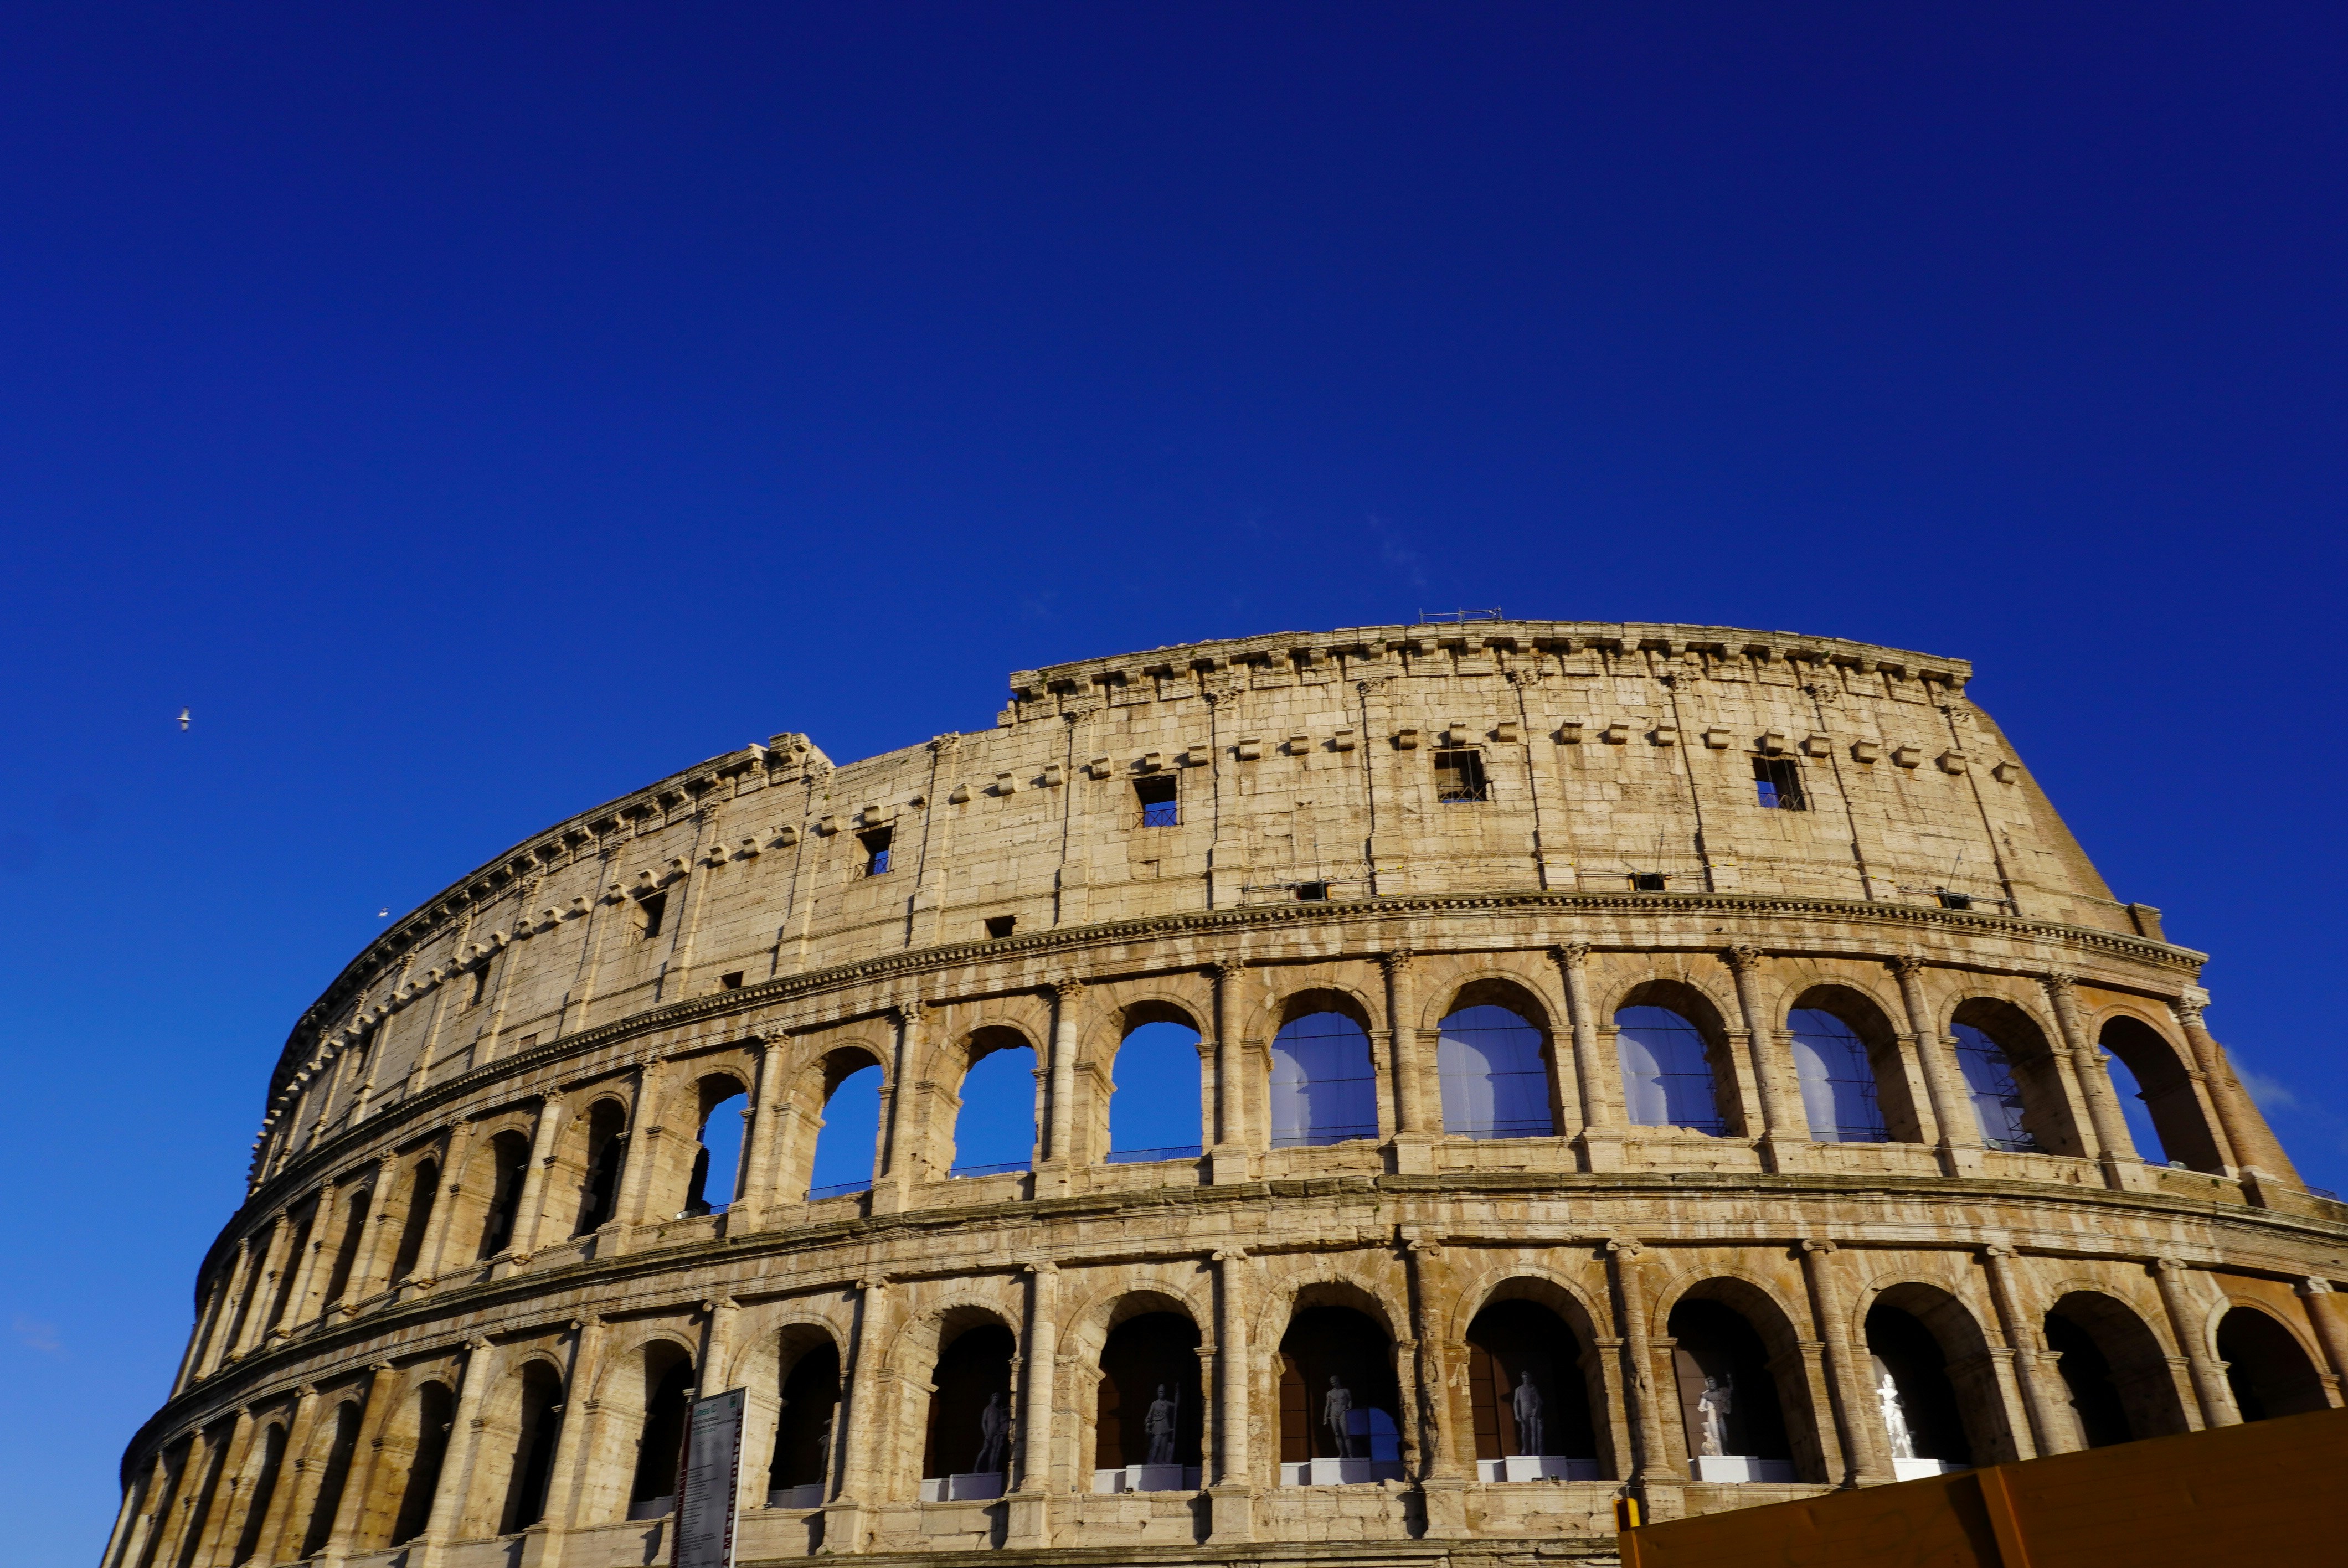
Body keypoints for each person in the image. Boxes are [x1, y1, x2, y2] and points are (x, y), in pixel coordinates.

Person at [1875, 1368, 1916, 1459]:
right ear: (1885, 1382)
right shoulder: (1884, 1391)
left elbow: (1903, 1404)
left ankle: (1909, 1454)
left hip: (1897, 1412)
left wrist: (1896, 1405)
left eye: (1891, 1381)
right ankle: (1895, 1450)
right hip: (1889, 1412)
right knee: (1891, 1432)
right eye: (1888, 1381)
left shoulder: (1896, 1393)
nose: (1891, 1383)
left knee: (1902, 1433)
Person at [1696, 1373, 1734, 1457]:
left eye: (1713, 1383)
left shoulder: (1721, 1393)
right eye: (1710, 1383)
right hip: (1712, 1414)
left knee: (1724, 1436)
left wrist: (1730, 1380)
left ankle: (1725, 1451)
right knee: (1716, 1435)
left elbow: (1730, 1391)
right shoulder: (1706, 1394)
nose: (1712, 1385)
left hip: (1720, 1415)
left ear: (1716, 1384)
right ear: (1708, 1385)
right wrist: (1707, 1409)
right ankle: (1720, 1453)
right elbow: (1701, 1406)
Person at [974, 1391, 1010, 1474]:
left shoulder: (998, 1410)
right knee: (985, 1450)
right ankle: (976, 1467)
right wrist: (986, 1434)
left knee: (994, 1452)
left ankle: (992, 1469)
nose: (995, 1400)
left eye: (997, 1399)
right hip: (989, 1433)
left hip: (996, 1433)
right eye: (994, 1398)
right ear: (991, 1399)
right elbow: (983, 1422)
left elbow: (1002, 1419)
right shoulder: (987, 1409)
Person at [1510, 1371, 1544, 1456]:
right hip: (1524, 1412)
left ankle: (1534, 1451)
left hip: (1533, 1412)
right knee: (1525, 1431)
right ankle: (1525, 1448)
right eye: (1524, 1378)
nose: (1525, 1379)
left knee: (1534, 1432)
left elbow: (1538, 1401)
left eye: (1527, 1378)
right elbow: (1516, 1402)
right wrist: (1517, 1414)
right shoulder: (1519, 1389)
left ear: (1530, 1379)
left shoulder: (1533, 1388)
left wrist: (1536, 1410)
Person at [1322, 1376, 1357, 1458]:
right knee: (1337, 1434)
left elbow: (1350, 1401)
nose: (1333, 1383)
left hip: (1343, 1412)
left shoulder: (1345, 1391)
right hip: (1333, 1413)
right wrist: (1325, 1417)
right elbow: (1328, 1406)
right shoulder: (1330, 1393)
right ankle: (1342, 1453)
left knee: (1346, 1434)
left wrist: (1350, 1405)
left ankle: (1350, 1454)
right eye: (1332, 1382)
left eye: (1334, 1381)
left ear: (1338, 1380)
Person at [1144, 1383, 1178, 1466]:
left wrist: (1177, 1393)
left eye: (1162, 1392)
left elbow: (1176, 1406)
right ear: (1157, 1393)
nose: (1161, 1393)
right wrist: (1147, 1423)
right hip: (1157, 1426)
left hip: (1165, 1426)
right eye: (1160, 1392)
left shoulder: (1167, 1403)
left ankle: (1163, 1461)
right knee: (1156, 1445)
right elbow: (1149, 1415)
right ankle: (1152, 1461)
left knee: (1164, 1446)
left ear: (1164, 1393)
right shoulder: (1154, 1404)